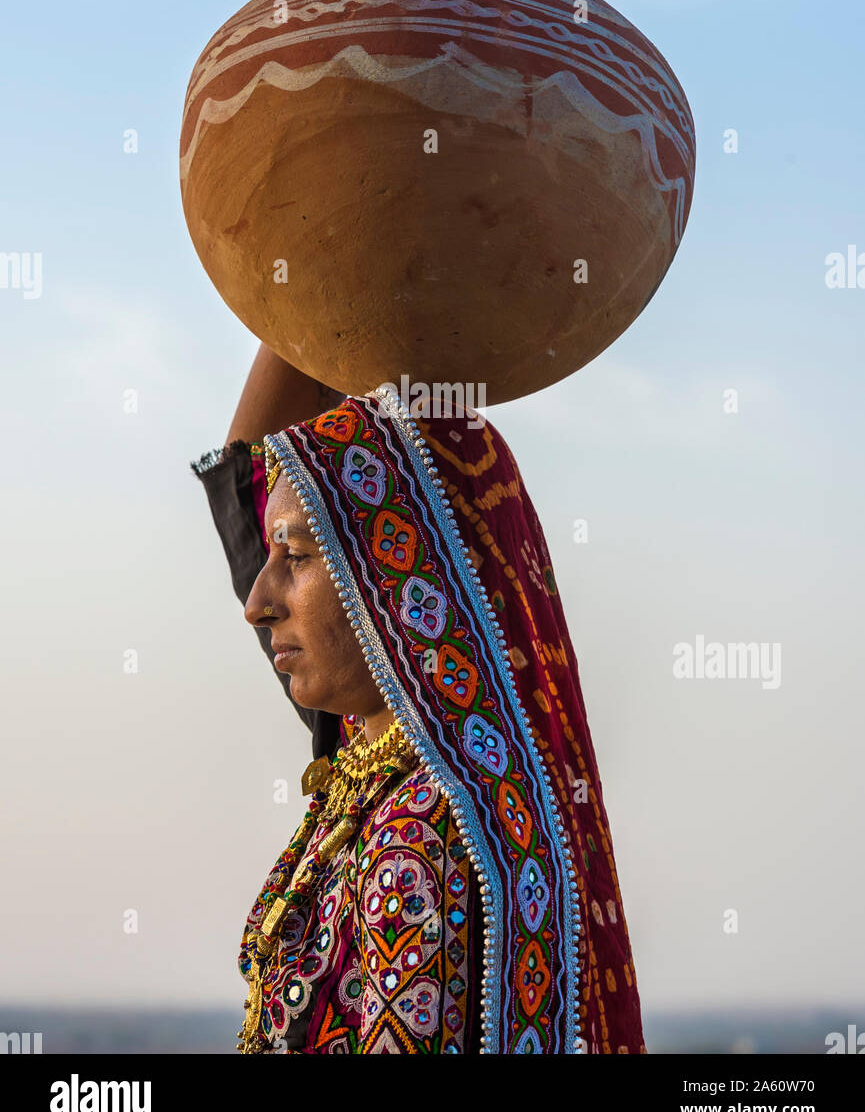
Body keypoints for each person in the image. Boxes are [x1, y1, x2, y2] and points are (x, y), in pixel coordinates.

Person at [191, 346, 646, 1054]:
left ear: (396, 574)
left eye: (299, 556)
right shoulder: (379, 766)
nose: (257, 602)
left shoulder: (420, 833)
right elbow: (248, 494)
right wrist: (299, 291)